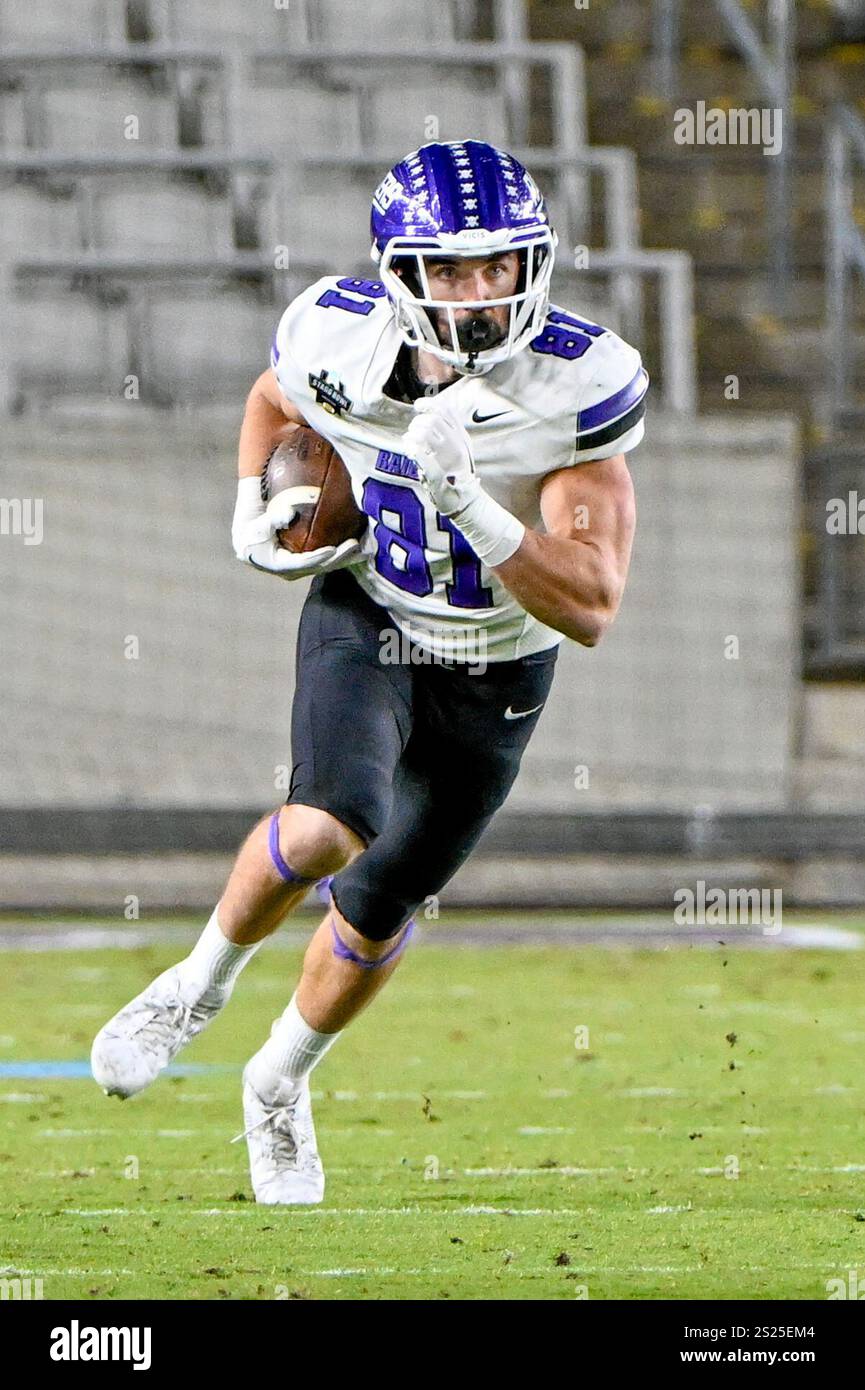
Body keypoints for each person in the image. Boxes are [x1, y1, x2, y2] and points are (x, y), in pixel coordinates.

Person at [91, 140, 647, 1205]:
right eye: (452, 270)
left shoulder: (579, 383)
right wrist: (254, 503)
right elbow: (272, 399)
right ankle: (194, 985)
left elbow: (589, 604)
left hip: (498, 667)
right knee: (326, 822)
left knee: (380, 902)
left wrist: (471, 500)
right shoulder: (333, 334)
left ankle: (277, 1080)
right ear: (402, 273)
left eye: (500, 266)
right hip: (371, 610)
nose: (480, 296)